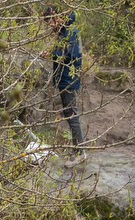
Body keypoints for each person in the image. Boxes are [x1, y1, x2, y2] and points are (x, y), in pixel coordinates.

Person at [43, 8, 86, 159]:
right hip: (63, 79)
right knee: (69, 114)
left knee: (72, 115)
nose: (49, 26)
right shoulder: (62, 33)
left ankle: (80, 152)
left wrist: (52, 55)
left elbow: (70, 57)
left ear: (57, 18)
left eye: (49, 22)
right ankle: (76, 149)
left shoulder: (70, 31)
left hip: (69, 79)